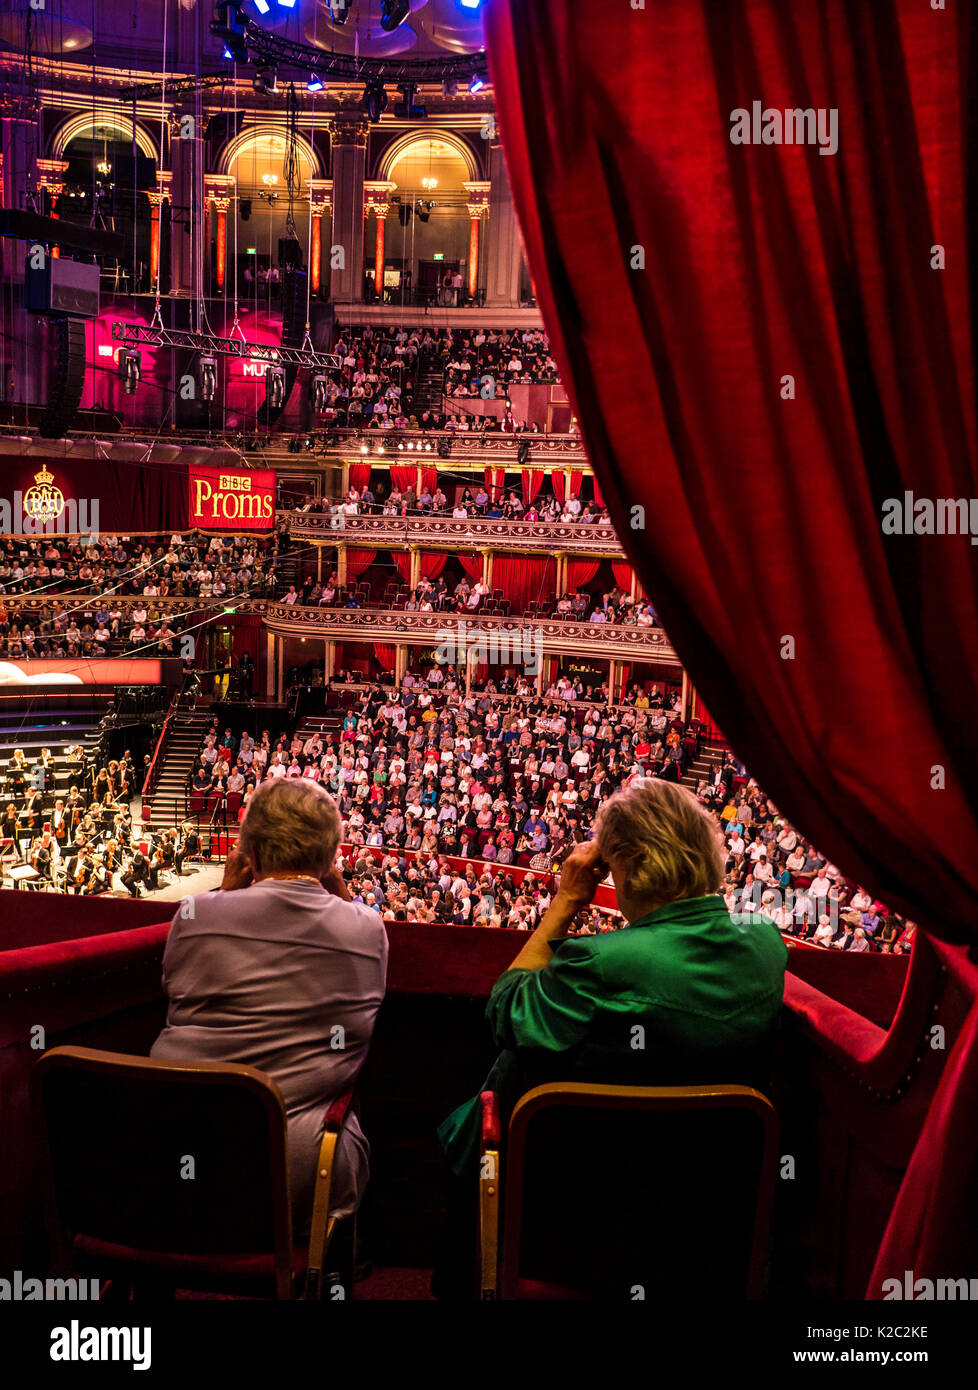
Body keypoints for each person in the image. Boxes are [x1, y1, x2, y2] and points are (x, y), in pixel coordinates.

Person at [434, 778, 787, 1297]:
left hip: (580, 1213)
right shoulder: (765, 944)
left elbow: (507, 1012)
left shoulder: (598, 963)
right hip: (704, 1218)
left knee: (506, 1079)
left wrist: (567, 899)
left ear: (634, 864)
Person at [151, 778, 388, 1238]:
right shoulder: (366, 928)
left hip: (170, 1160)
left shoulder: (194, 915)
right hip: (298, 1179)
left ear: (249, 852)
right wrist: (335, 886)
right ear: (332, 856)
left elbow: (174, 988)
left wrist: (222, 895)